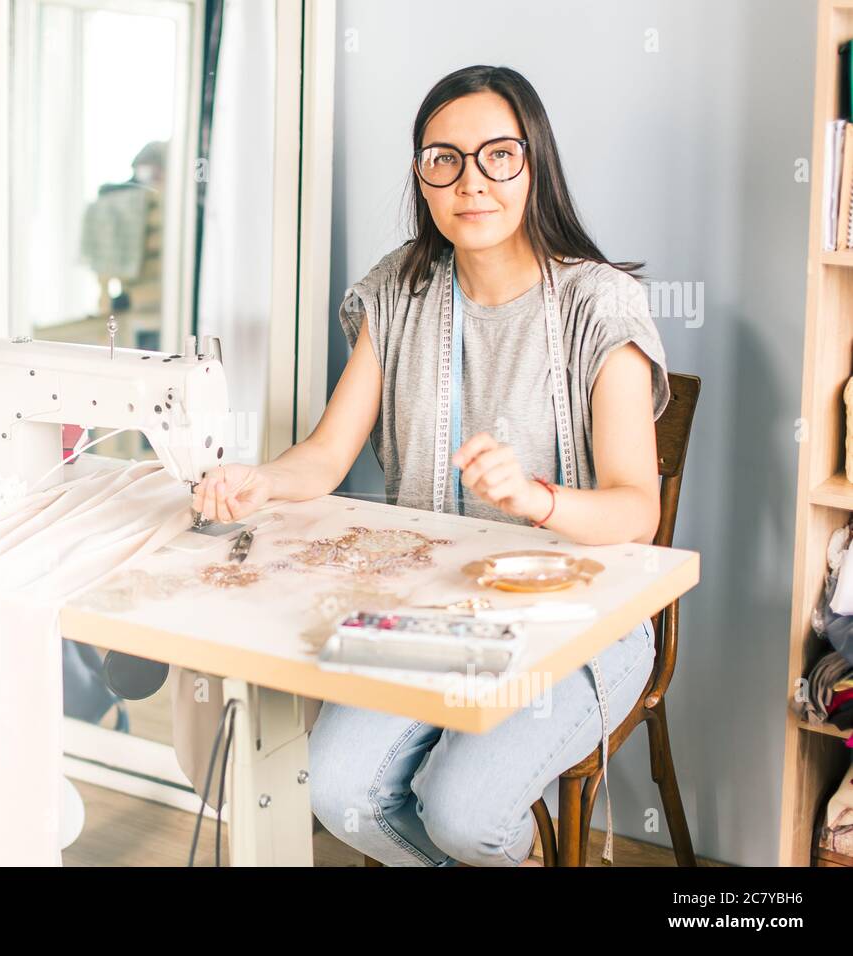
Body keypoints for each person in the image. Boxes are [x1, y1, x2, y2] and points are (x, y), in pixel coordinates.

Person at [189, 64, 671, 866]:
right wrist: (262, 480)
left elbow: (635, 511)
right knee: (338, 794)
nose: (470, 181)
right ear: (422, 175)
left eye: (497, 155)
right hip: (430, 608)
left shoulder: (599, 302)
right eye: (442, 158)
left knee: (460, 812)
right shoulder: (401, 290)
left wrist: (535, 498)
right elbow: (326, 454)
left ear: (535, 163)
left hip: (582, 619)